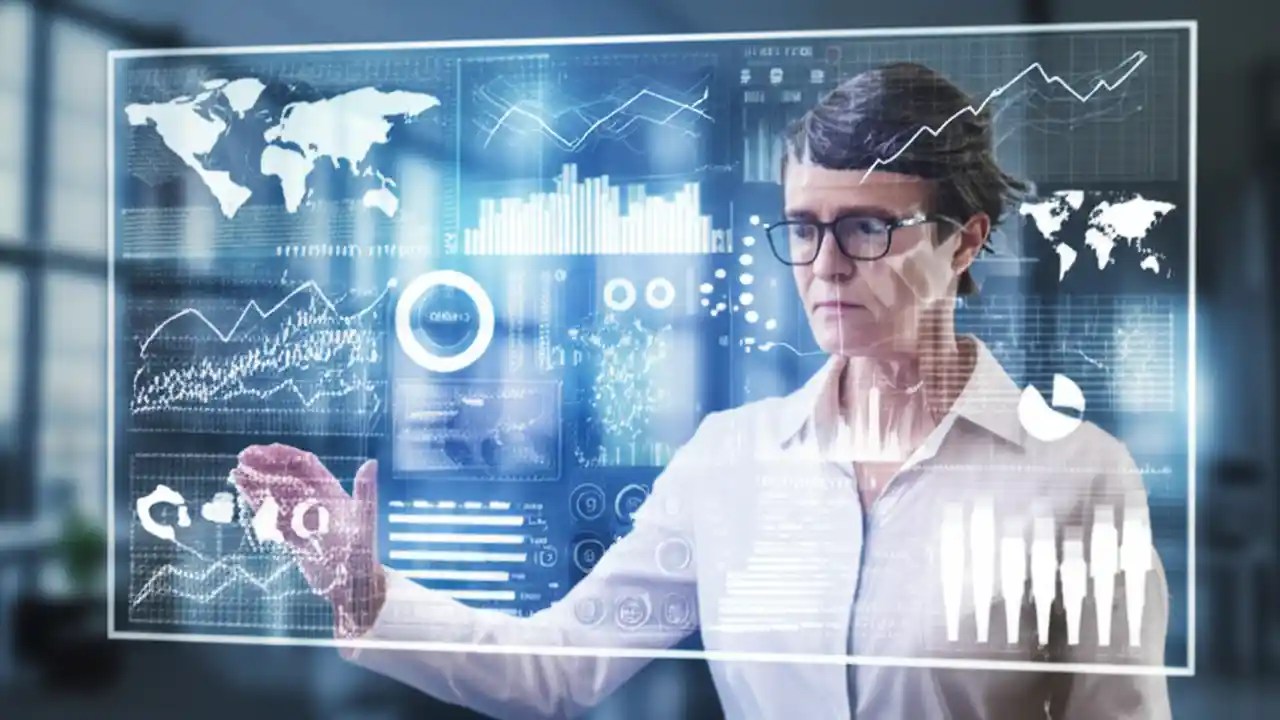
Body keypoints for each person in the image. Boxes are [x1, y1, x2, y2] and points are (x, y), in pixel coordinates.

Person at [232, 62, 1172, 719]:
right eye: (802, 227)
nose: (824, 264)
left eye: (867, 228)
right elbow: (558, 668)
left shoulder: (1079, 477)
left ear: (964, 242)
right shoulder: (730, 460)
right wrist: (365, 590)